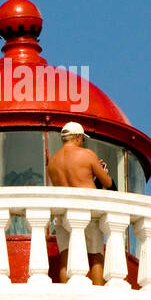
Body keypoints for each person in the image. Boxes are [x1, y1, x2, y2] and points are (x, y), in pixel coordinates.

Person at [47, 122, 113, 285]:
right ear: (77, 137)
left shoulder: (52, 162)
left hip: (62, 213)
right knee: (95, 255)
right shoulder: (87, 155)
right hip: (85, 211)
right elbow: (107, 182)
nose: (83, 142)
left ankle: (66, 289)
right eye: (82, 139)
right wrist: (102, 170)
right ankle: (98, 291)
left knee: (66, 256)